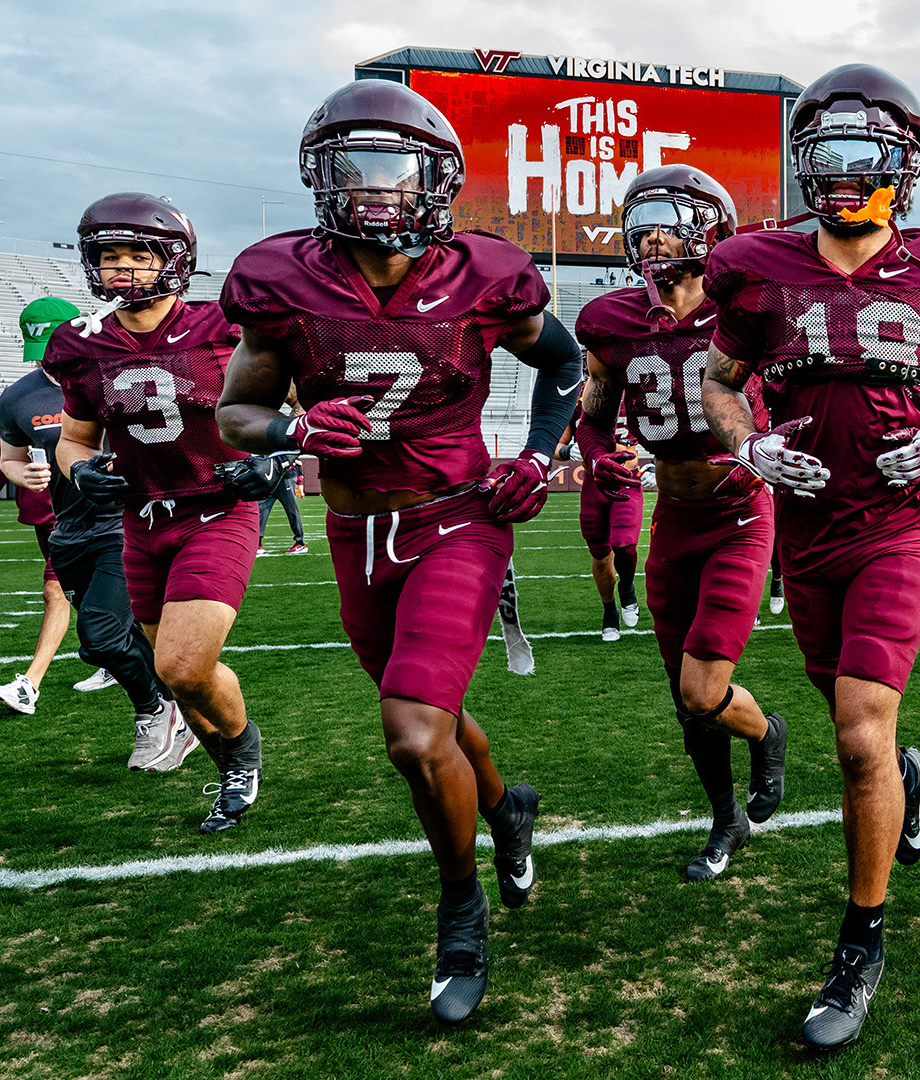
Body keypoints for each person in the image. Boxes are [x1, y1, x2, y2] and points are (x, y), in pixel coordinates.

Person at [215, 79, 578, 1024]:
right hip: (354, 532)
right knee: (438, 724)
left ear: (439, 178)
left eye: (396, 169)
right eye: (353, 168)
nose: (376, 191)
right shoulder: (280, 278)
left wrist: (538, 455)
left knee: (414, 733)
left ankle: (460, 908)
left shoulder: (488, 273)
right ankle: (507, 809)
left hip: (457, 518)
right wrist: (293, 427)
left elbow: (565, 363)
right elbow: (236, 412)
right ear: (317, 177)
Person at [700, 63, 920, 1049]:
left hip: (898, 522)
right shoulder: (753, 264)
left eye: (859, 151)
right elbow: (720, 382)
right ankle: (907, 777)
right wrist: (748, 444)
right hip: (807, 529)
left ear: (903, 162)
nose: (838, 170)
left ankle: (860, 944)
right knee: (850, 715)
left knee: (858, 735)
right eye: (822, 151)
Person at [574, 164, 789, 881]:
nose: (653, 237)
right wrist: (601, 457)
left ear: (713, 229)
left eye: (671, 219)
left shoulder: (748, 307)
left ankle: (767, 732)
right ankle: (725, 819)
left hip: (738, 514)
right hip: (673, 516)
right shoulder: (610, 320)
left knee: (705, 689)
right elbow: (594, 420)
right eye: (642, 223)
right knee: (686, 701)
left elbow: (790, 394)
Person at [48, 192, 263, 830]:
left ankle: (243, 752)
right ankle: (226, 759)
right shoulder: (81, 342)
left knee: (180, 664)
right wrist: (81, 470)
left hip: (216, 509)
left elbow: (300, 401)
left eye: (136, 256)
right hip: (139, 521)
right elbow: (75, 439)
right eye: (108, 256)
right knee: (176, 680)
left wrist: (274, 457)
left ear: (173, 260)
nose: (121, 270)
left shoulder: (224, 328)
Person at [0, 296, 185, 766]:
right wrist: (24, 476)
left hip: (125, 521)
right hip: (68, 529)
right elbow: (8, 459)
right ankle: (178, 710)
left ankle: (153, 712)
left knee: (97, 637)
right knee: (127, 635)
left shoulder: (122, 375)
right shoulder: (17, 397)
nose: (48, 358)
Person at [0, 434, 72, 713]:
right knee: (82, 595)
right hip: (44, 516)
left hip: (81, 518)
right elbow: (1, 455)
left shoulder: (88, 396)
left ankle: (29, 687)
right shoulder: (23, 399)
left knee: (55, 591)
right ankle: (122, 658)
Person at [564, 400, 644, 640]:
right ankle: (610, 611)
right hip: (593, 485)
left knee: (625, 546)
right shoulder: (577, 403)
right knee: (599, 554)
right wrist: (568, 451)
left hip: (626, 482)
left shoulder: (634, 395)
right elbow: (558, 445)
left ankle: (627, 587)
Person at [256, 450, 308, 554]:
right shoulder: (268, 438)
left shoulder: (284, 438)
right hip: (270, 478)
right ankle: (257, 543)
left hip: (286, 477)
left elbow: (294, 454)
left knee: (291, 510)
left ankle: (300, 542)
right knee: (260, 510)